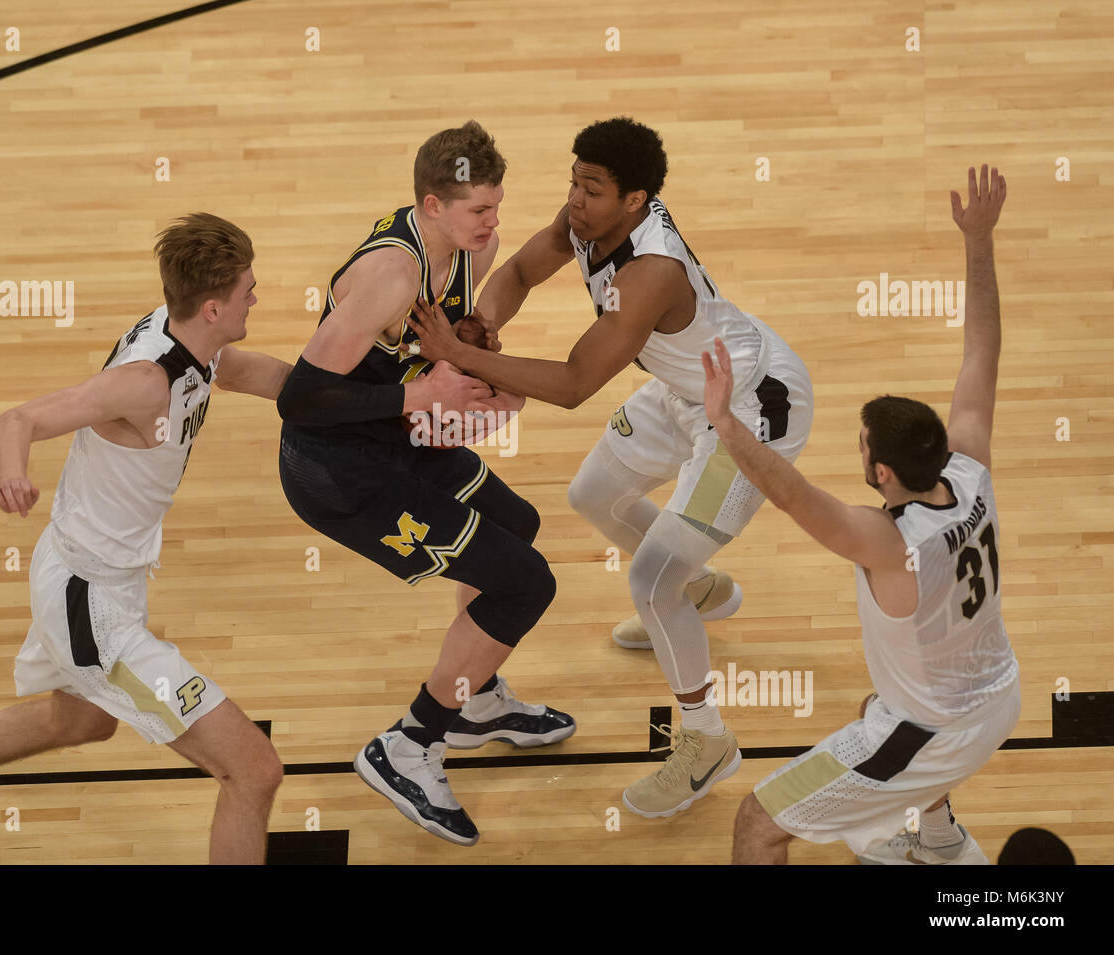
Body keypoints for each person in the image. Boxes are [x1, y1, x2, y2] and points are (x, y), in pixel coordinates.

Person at [406, 117, 813, 818]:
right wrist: (480, 322)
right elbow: (524, 270)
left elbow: (571, 383)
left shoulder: (651, 270)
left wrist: (466, 356)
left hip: (744, 414)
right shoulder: (589, 221)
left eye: (591, 188)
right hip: (692, 388)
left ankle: (707, 740)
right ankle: (702, 585)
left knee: (651, 580)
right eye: (573, 180)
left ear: (636, 199)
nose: (575, 198)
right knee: (594, 492)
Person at [0, 213, 291, 865]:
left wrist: (376, 398)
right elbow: (14, 420)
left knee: (80, 719)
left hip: (88, 576)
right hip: (91, 605)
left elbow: (266, 379)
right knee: (253, 770)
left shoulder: (189, 337)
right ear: (212, 306)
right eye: (248, 290)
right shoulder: (145, 382)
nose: (256, 296)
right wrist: (11, 476)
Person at [705, 166, 1018, 864]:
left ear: (881, 473)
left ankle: (933, 831)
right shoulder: (970, 470)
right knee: (872, 712)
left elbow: (790, 494)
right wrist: (978, 241)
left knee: (758, 821)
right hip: (998, 697)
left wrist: (727, 424)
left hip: (939, 730)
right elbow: (983, 350)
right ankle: (939, 841)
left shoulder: (887, 540)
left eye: (863, 448)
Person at [275, 120, 574, 847]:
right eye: (478, 210)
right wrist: (419, 398)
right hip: (340, 470)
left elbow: (439, 340)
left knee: (518, 529)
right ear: (433, 206)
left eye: (497, 206)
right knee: (526, 583)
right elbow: (302, 401)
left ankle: (470, 699)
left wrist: (472, 347)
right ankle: (408, 744)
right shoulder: (392, 275)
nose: (493, 222)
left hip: (400, 439)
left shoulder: (471, 248)